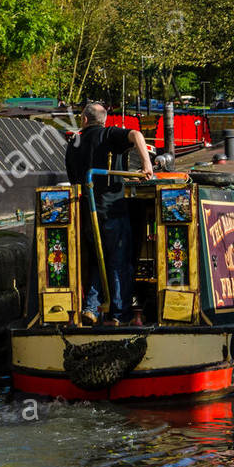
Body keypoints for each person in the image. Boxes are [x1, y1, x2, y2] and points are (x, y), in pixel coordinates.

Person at [65, 101, 154, 325]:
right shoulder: (108, 134)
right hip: (112, 209)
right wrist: (147, 165)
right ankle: (119, 315)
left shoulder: (73, 142)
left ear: (84, 120)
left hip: (85, 212)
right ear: (104, 120)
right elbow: (137, 135)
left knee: (98, 259)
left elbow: (74, 180)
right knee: (119, 261)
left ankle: (91, 308)